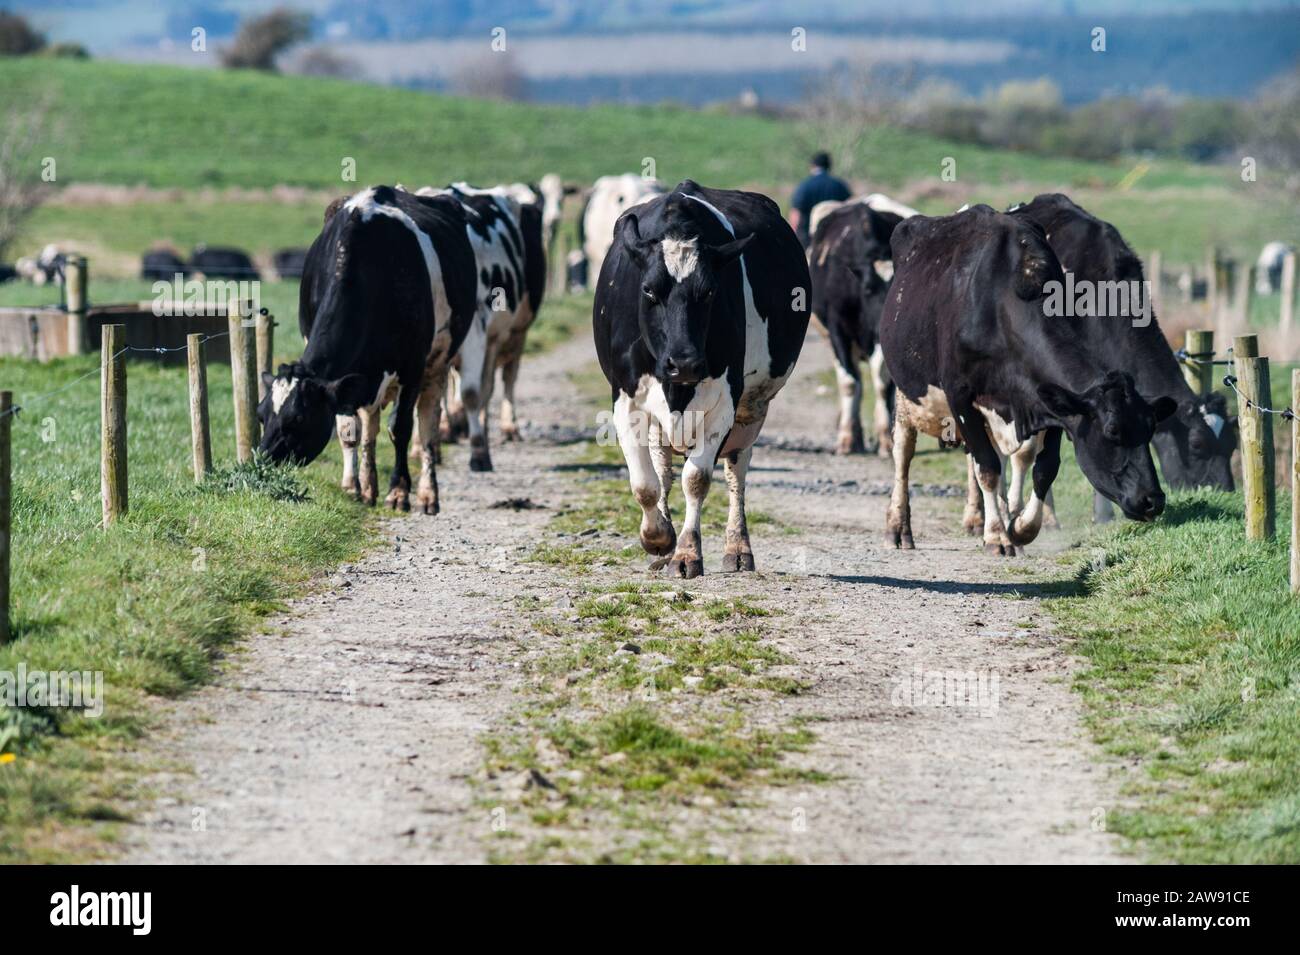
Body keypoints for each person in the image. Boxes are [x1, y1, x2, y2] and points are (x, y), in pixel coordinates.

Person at [788, 151, 850, 248]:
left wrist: (792, 236)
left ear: (812, 166)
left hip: (808, 238)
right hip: (835, 239)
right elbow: (849, 209)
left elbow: (796, 213)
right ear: (829, 166)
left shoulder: (805, 186)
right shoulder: (840, 186)